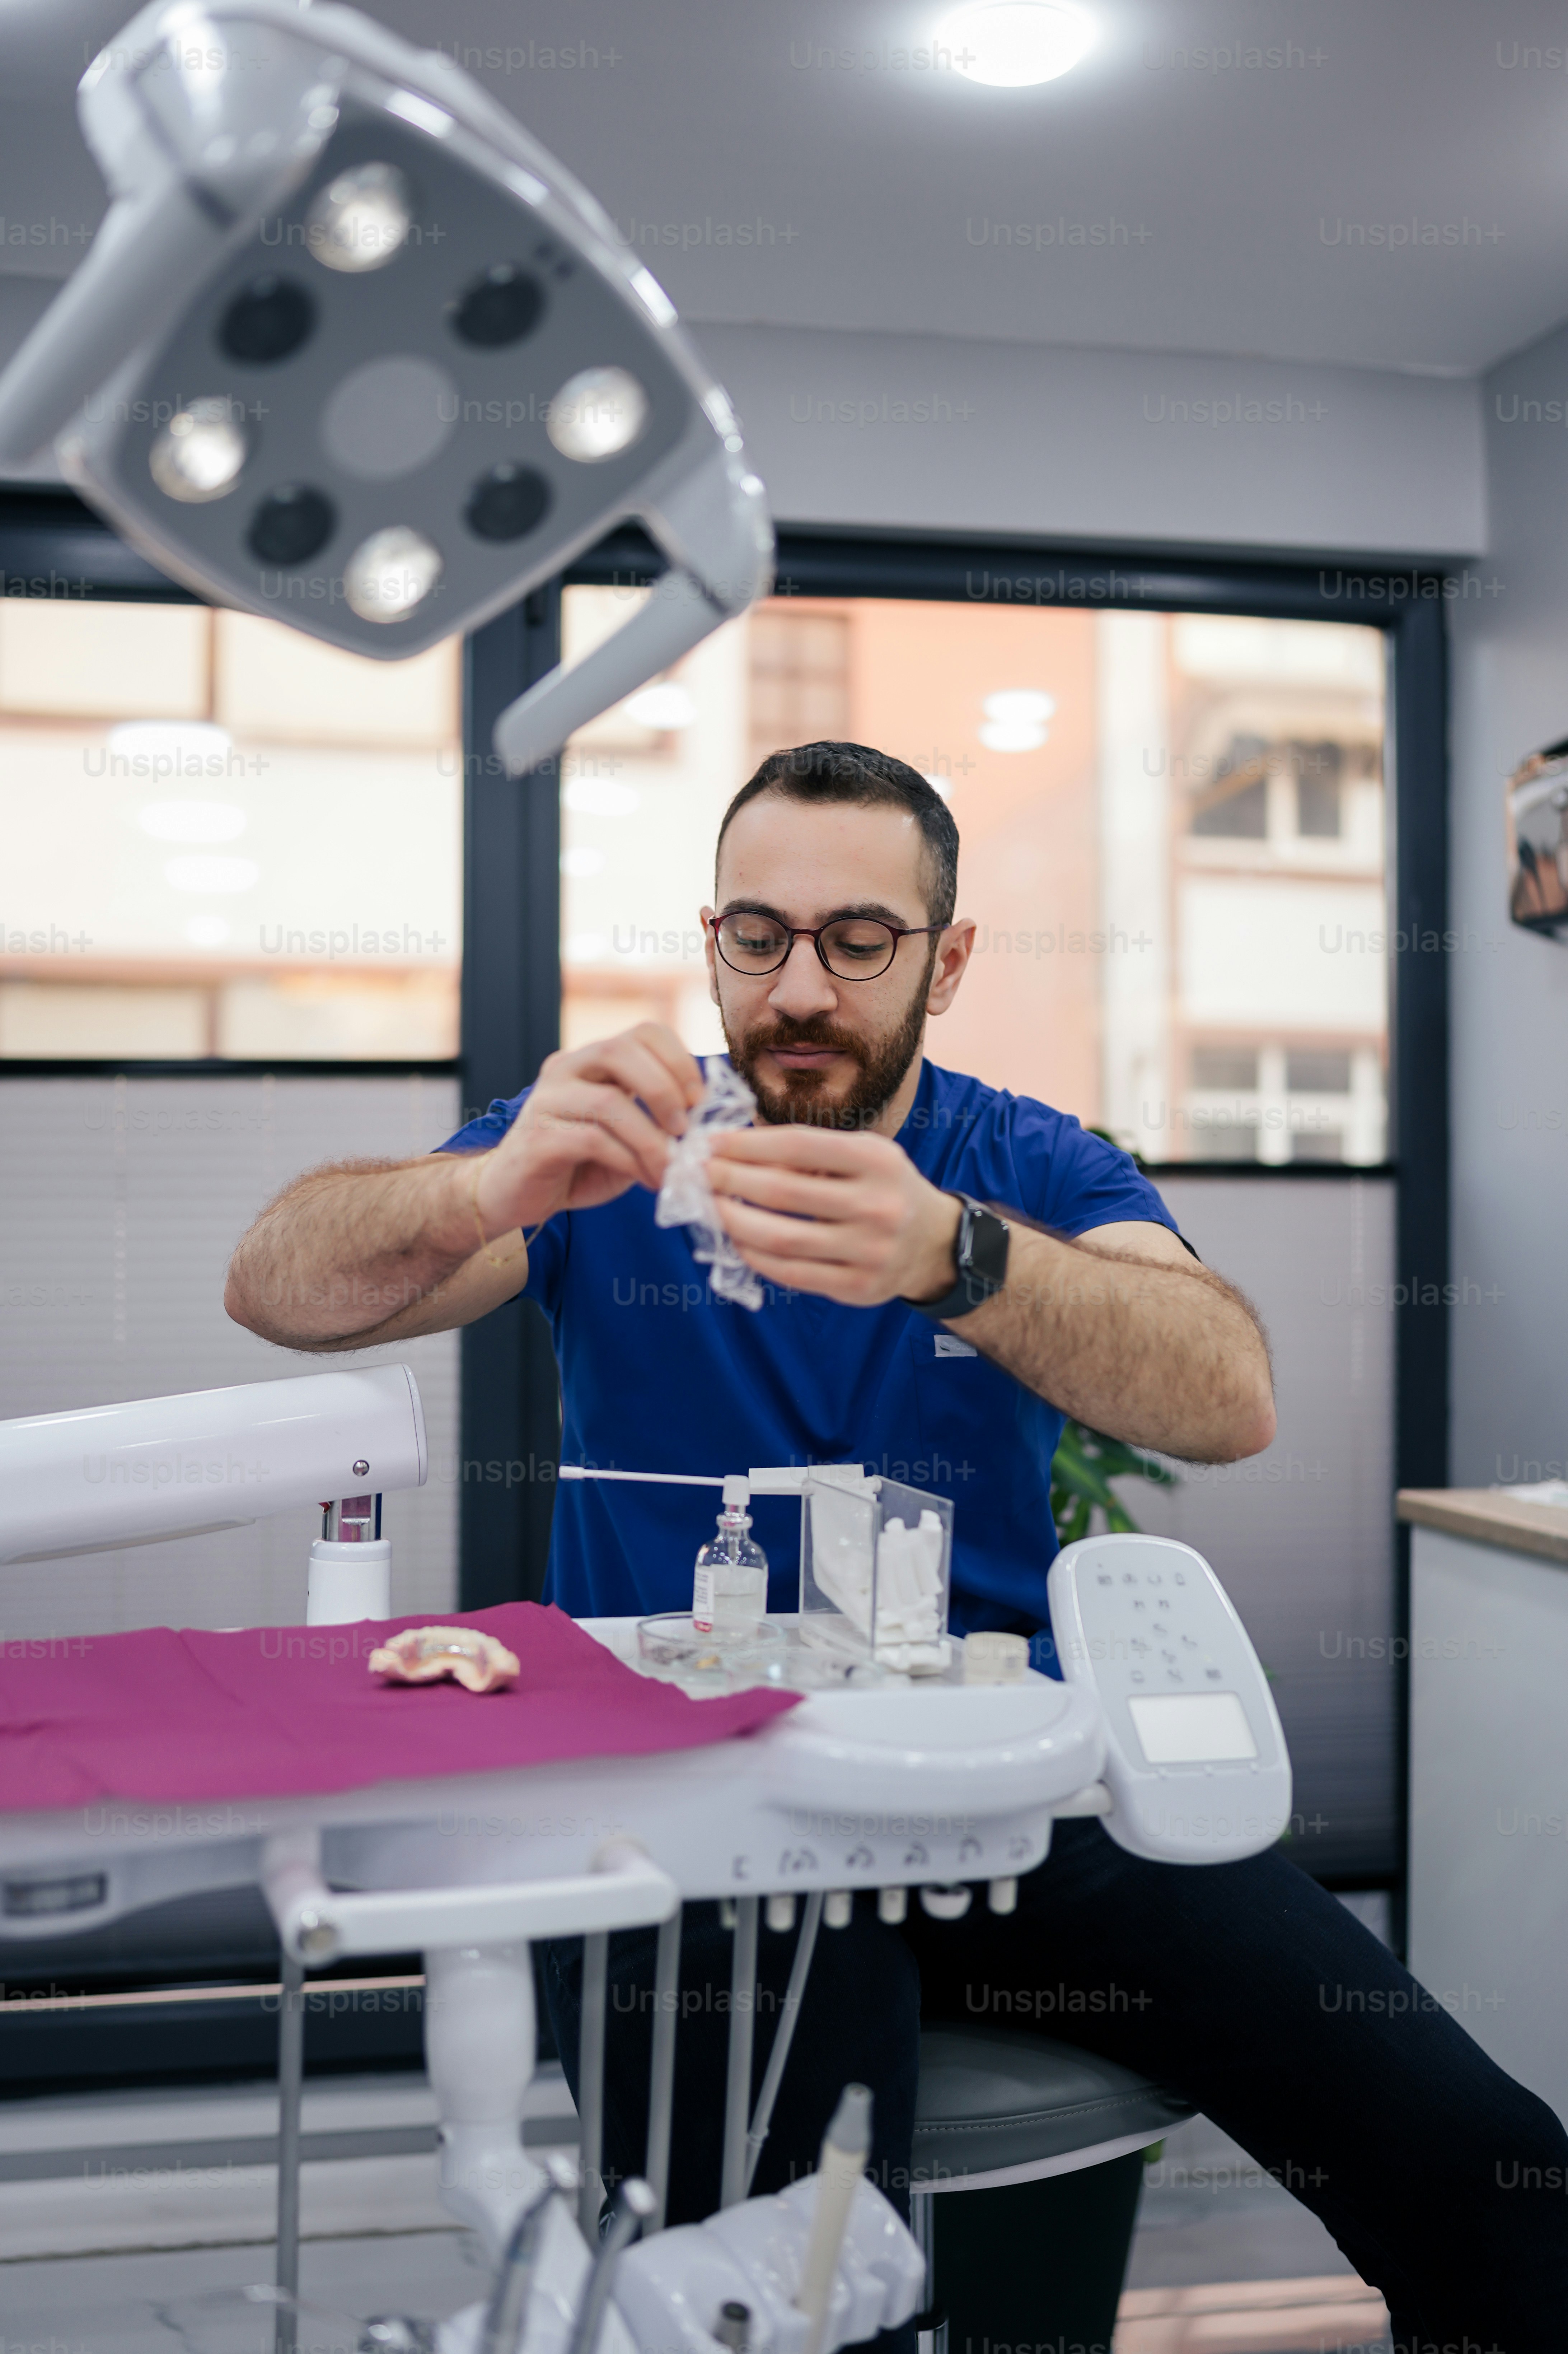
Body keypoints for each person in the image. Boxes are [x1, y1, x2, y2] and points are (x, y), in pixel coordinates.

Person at [228, 742, 1568, 2347]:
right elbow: (277, 1287)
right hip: (692, 1817)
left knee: (1498, 2176)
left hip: (1008, 1797)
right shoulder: (607, 1156)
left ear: (947, 956)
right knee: (786, 2282)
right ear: (710, 934)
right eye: (757, 934)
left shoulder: (1017, 1163)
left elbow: (1229, 1393)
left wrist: (957, 1255)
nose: (800, 985)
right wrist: (486, 1186)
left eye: (860, 938)